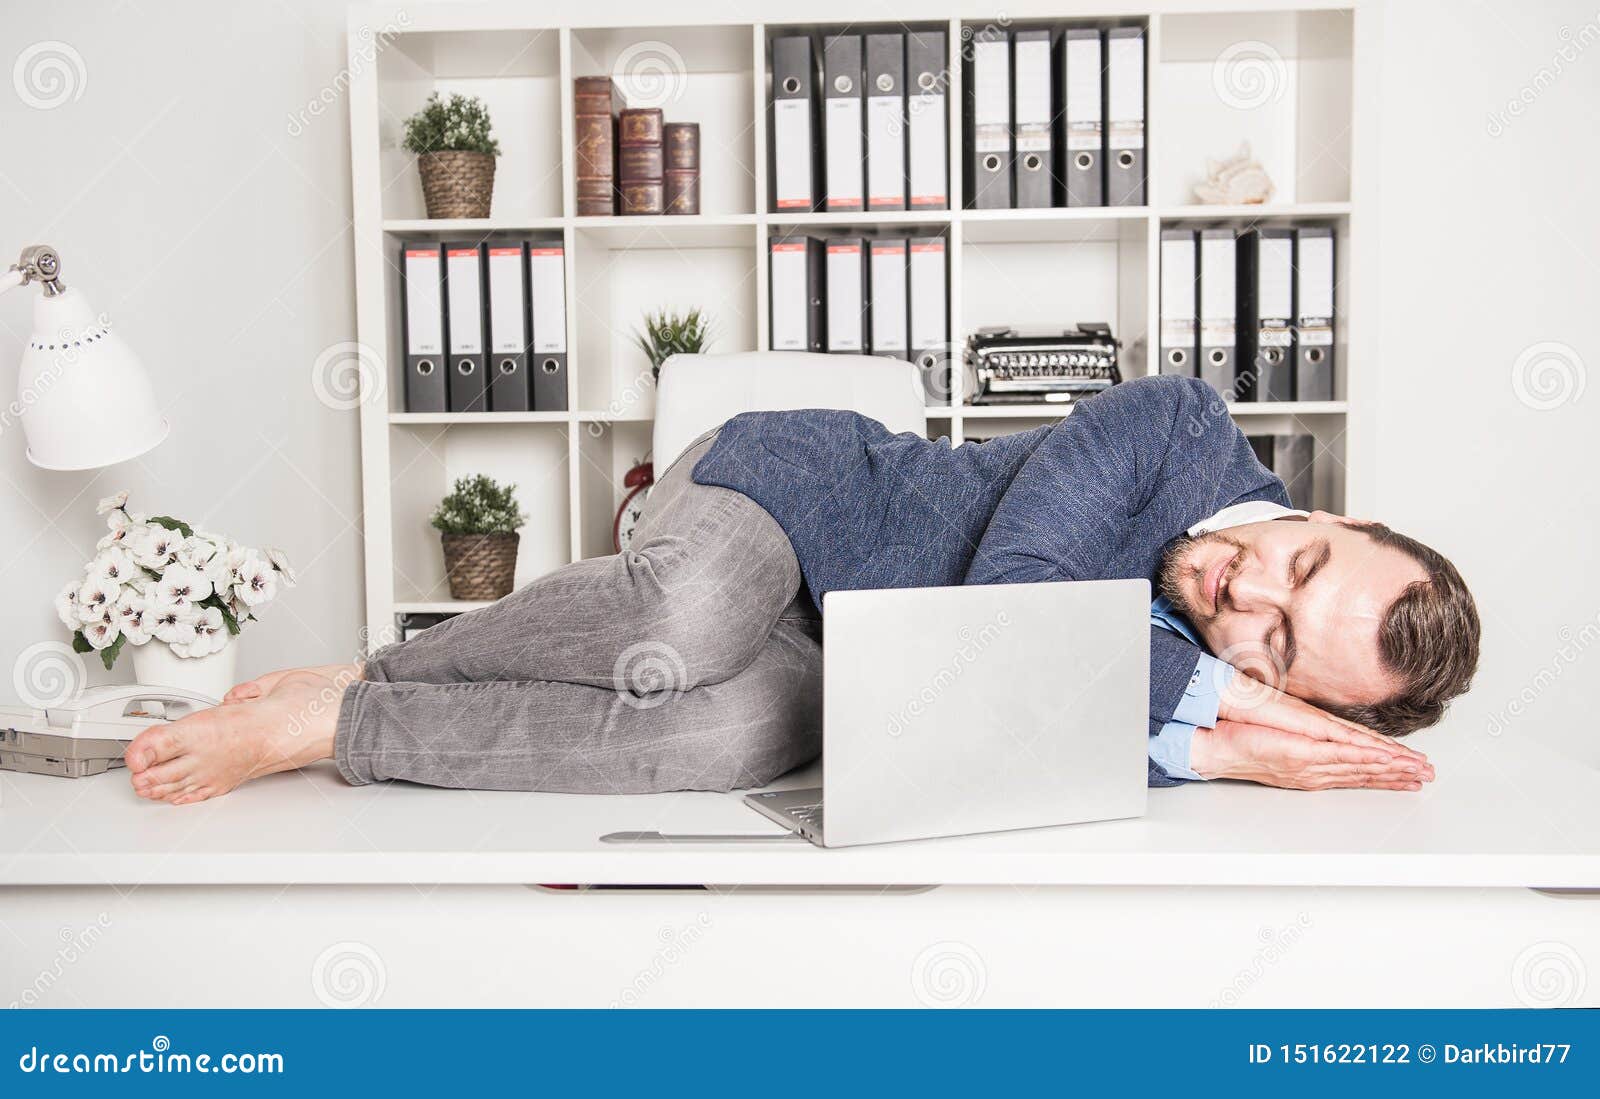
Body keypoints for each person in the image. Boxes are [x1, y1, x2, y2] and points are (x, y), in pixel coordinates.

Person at [123, 376, 1479, 805]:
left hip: (844, 657)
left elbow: (1009, 744)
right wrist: (1212, 715)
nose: (1246, 593)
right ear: (1338, 512)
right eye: (1301, 563)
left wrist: (1229, 753)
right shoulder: (1178, 426)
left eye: (1275, 646)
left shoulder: (1202, 662)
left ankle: (338, 721)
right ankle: (375, 679)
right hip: (799, 493)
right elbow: (1010, 622)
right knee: (678, 625)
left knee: (714, 738)